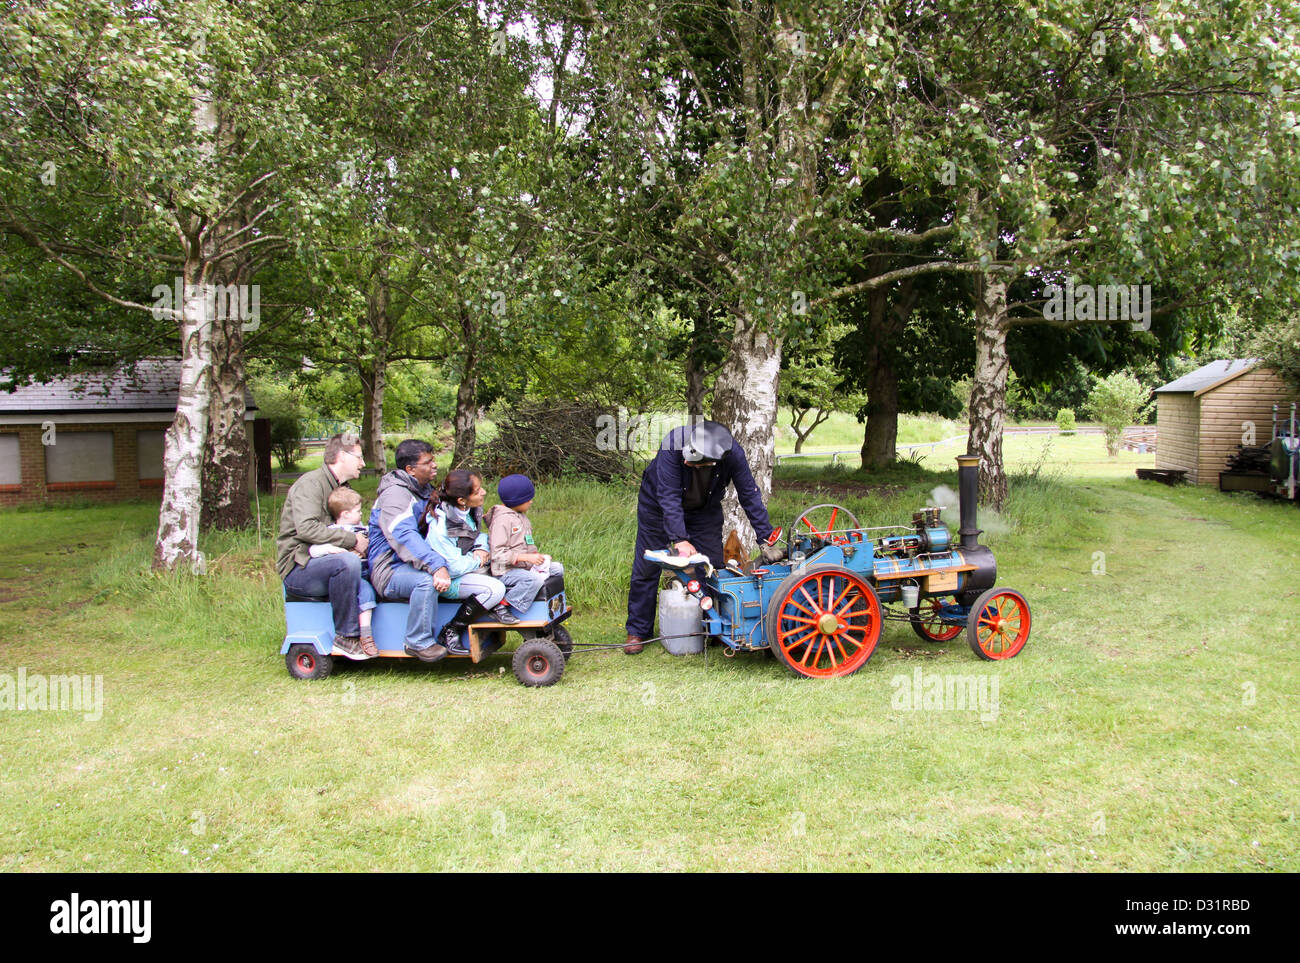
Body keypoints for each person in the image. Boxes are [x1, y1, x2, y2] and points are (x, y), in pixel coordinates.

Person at [624, 420, 781, 654]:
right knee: (647, 567)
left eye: (694, 462)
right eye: (687, 458)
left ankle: (714, 627)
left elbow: (749, 493)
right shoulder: (672, 445)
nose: (686, 462)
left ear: (715, 460)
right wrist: (679, 539)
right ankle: (638, 631)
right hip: (656, 508)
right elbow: (668, 498)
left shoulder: (733, 454)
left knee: (713, 567)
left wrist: (765, 538)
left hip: (704, 510)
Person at [276, 432, 370, 659]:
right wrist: (352, 541)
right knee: (346, 562)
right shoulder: (310, 484)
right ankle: (346, 637)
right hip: (299, 567)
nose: (363, 463)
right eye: (358, 457)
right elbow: (307, 529)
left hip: (323, 561)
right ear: (341, 456)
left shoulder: (341, 487)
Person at [367, 440, 453, 662]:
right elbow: (405, 537)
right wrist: (436, 565)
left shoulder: (422, 489)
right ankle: (418, 642)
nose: (434, 465)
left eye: (433, 460)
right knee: (425, 581)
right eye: (428, 462)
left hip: (410, 562)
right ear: (410, 469)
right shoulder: (395, 496)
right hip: (389, 568)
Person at [423, 469, 509, 654]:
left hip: (469, 567)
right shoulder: (441, 527)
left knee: (509, 569)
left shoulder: (469, 510)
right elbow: (453, 567)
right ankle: (451, 630)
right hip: (450, 580)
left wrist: (481, 548)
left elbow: (480, 535)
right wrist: (476, 560)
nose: (484, 492)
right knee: (495, 589)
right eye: (477, 491)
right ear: (462, 500)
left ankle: (495, 619)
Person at [308, 487, 378, 657]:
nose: (361, 514)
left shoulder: (363, 529)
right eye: (358, 511)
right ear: (345, 514)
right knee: (366, 592)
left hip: (367, 570)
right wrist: (331, 550)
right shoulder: (331, 532)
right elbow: (314, 550)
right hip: (351, 576)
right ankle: (366, 634)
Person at [486, 473, 566, 617]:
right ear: (517, 500)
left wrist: (537, 556)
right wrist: (524, 557)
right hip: (505, 572)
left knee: (557, 569)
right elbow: (497, 554)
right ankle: (502, 606)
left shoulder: (521, 517)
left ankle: (542, 605)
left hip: (524, 567)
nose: (531, 502)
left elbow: (527, 544)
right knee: (533, 579)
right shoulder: (502, 521)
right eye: (528, 499)